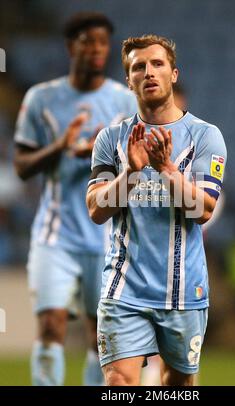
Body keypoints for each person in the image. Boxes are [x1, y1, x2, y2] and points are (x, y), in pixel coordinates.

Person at [86, 34, 227, 386]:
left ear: (173, 74)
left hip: (183, 291)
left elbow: (203, 211)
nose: (148, 72)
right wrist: (130, 173)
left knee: (177, 387)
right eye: (138, 66)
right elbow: (96, 210)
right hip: (124, 289)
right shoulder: (110, 139)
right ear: (128, 80)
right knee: (119, 383)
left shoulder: (205, 137)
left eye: (157, 64)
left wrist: (166, 168)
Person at [14, 12, 136, 386]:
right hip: (56, 236)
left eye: (102, 42)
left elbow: (137, 165)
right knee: (51, 323)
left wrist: (100, 155)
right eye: (88, 42)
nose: (97, 49)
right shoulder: (41, 98)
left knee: (100, 337)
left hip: (106, 238)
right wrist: (61, 146)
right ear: (71, 47)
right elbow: (22, 165)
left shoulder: (125, 101)